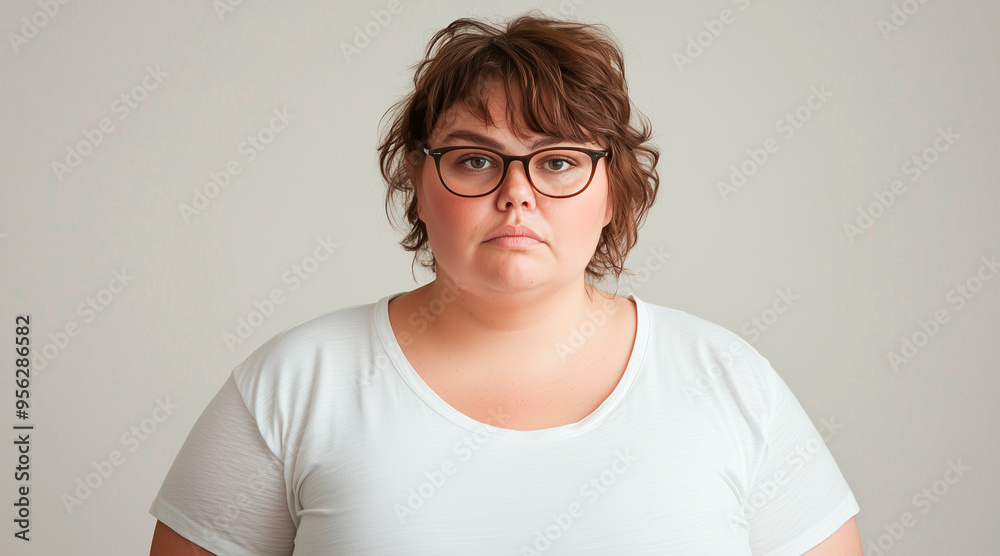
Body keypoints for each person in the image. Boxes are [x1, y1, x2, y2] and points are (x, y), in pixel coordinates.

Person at [148, 12, 862, 555]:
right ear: (420, 186)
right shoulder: (295, 380)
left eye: (555, 161)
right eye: (475, 160)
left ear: (613, 190)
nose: (516, 193)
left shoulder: (731, 381)